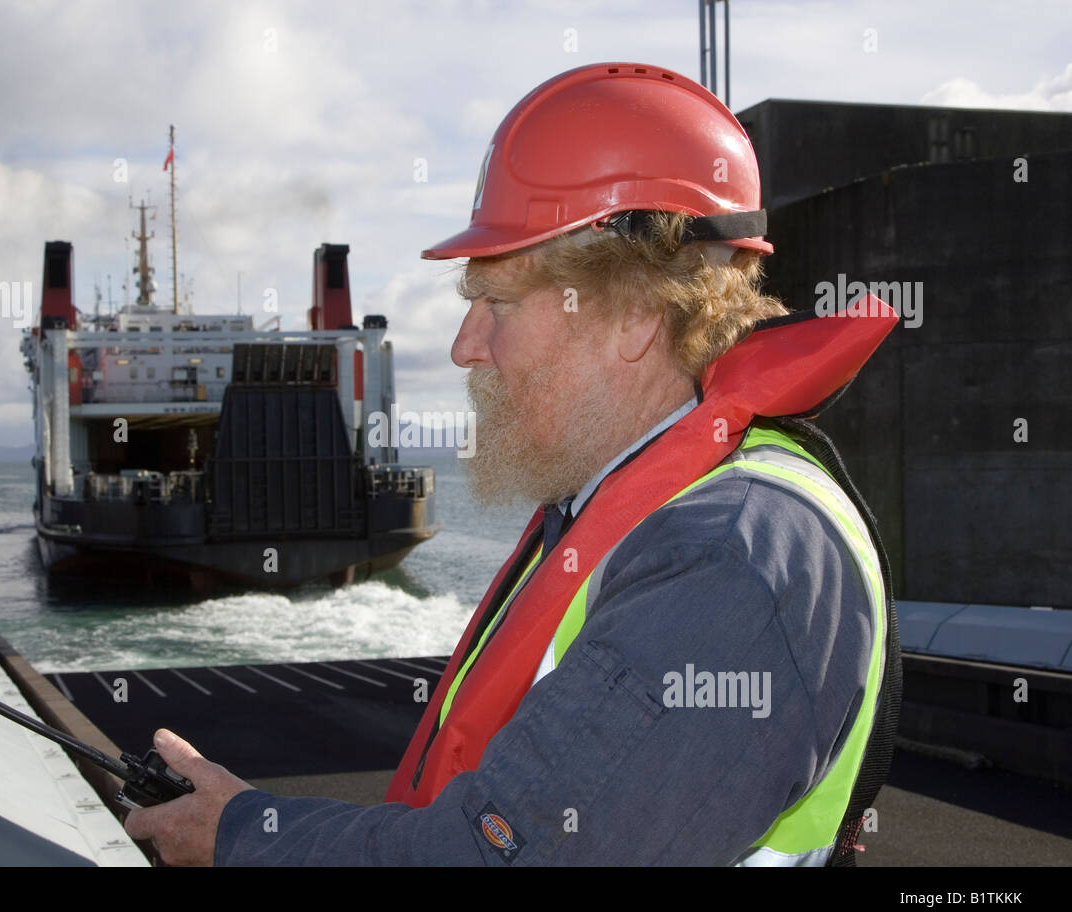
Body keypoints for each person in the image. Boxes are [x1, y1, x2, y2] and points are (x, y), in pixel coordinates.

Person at [124, 61, 902, 866]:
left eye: (496, 304)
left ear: (634, 313)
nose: (465, 348)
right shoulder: (633, 509)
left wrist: (242, 836)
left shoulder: (727, 556)